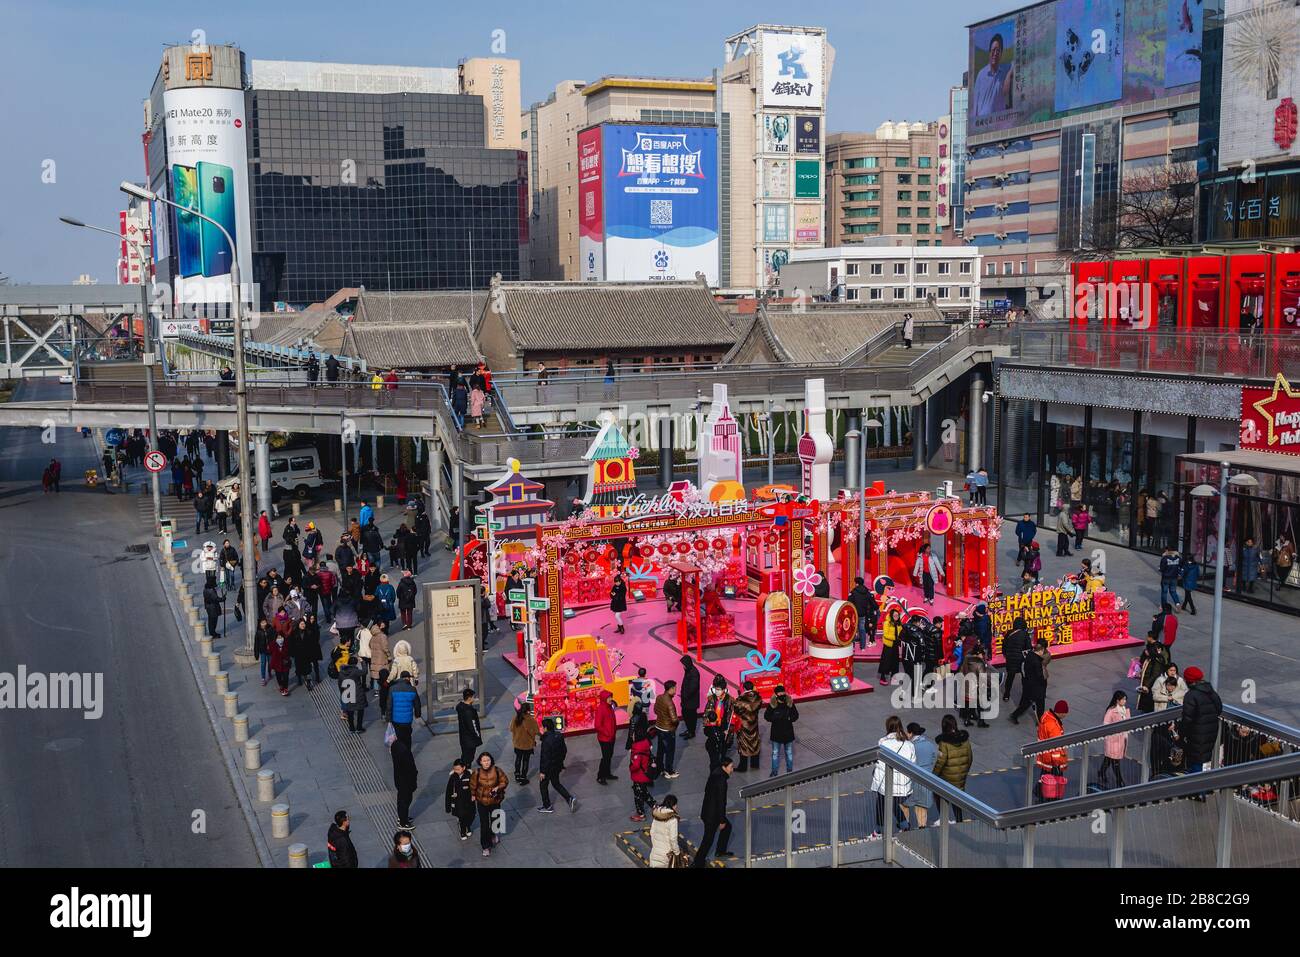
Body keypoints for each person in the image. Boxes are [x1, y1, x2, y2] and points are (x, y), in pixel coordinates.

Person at [871, 716, 915, 836]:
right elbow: (913, 763)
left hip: (886, 781)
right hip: (902, 783)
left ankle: (878, 831)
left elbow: (879, 761)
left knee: (881, 804)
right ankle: (904, 825)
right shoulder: (909, 745)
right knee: (894, 803)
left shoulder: (883, 742)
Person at [1179, 667, 1223, 774]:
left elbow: (1187, 719)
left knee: (1195, 763)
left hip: (1196, 734)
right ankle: (1200, 787)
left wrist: (1181, 734)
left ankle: (1197, 788)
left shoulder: (1191, 695)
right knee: (1202, 761)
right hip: (1210, 732)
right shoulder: (1210, 691)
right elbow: (1219, 709)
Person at [692, 756, 735, 866]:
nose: (732, 769)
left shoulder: (715, 774)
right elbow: (720, 801)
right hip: (713, 815)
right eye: (731, 767)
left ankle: (720, 851)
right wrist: (721, 820)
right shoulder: (722, 781)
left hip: (708, 811)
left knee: (727, 828)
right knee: (708, 840)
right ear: (724, 767)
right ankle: (697, 862)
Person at [932, 714, 972, 822]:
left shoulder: (944, 743)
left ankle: (944, 819)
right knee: (957, 799)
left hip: (947, 778)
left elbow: (940, 762)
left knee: (939, 795)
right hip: (960, 778)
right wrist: (963, 772)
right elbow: (970, 758)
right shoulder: (965, 740)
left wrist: (933, 775)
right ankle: (959, 820)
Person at [470, 752, 509, 857]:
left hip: (495, 800)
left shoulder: (497, 770)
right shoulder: (477, 772)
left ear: (491, 761)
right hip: (482, 801)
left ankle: (493, 834)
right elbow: (473, 784)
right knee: (484, 824)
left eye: (488, 760)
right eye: (484, 761)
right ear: (480, 762)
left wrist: (498, 787)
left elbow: (505, 781)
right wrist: (473, 794)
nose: (486, 763)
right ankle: (485, 846)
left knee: (496, 821)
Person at [536, 717, 577, 814]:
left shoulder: (546, 740)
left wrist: (542, 771)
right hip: (557, 766)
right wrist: (560, 762)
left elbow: (545, 757)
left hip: (549, 767)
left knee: (543, 785)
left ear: (545, 728)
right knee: (556, 783)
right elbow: (564, 750)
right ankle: (569, 798)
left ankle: (547, 806)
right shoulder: (558, 735)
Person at [973, 31, 1013, 117]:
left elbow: (1016, 62)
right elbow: (974, 104)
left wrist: (1009, 75)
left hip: (1000, 122)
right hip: (982, 123)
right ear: (989, 52)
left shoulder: (1005, 69)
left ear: (1001, 53)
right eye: (993, 50)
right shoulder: (981, 74)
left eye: (998, 51)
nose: (995, 53)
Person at [904, 722, 937, 828]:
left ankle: (906, 826)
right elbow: (933, 759)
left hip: (912, 781)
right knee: (922, 806)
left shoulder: (910, 747)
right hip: (926, 780)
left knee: (904, 803)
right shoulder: (930, 745)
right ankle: (922, 827)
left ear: (910, 733)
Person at [1009, 638, 1048, 724]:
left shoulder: (1030, 655)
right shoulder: (1036, 661)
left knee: (1028, 703)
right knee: (1039, 704)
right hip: (1036, 686)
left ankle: (1015, 715)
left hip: (1029, 684)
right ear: (1042, 649)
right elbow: (1040, 676)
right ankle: (1040, 721)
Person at [763, 685, 799, 776]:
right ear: (776, 694)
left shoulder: (789, 702)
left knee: (789, 753)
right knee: (775, 753)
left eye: (783, 692)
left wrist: (790, 719)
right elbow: (766, 716)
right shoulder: (772, 704)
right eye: (780, 693)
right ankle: (774, 771)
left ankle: (790, 770)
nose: (782, 694)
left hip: (788, 732)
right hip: (776, 733)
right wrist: (774, 718)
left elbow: (796, 715)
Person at [702, 674, 736, 771]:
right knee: (714, 753)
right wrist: (706, 724)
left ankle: (721, 766)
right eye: (716, 689)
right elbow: (706, 712)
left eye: (719, 689)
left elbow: (731, 716)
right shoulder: (712, 699)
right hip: (713, 726)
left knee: (723, 749)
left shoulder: (729, 700)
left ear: (724, 689)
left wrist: (729, 730)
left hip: (724, 727)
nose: (717, 691)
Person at [1099, 691, 1130, 789]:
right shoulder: (1111, 711)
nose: (1125, 701)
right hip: (1113, 740)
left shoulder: (1125, 710)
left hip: (1122, 739)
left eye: (1125, 699)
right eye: (1123, 699)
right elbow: (1105, 724)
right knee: (1115, 761)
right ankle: (1119, 779)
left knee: (1109, 759)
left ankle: (1101, 772)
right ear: (1117, 700)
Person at [1035, 700, 1069, 787]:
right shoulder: (1054, 726)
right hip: (1051, 758)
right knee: (1056, 777)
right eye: (1065, 713)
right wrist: (1056, 763)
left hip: (1044, 753)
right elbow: (1056, 746)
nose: (1066, 715)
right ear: (1061, 713)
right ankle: (1052, 794)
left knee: (1044, 774)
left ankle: (1038, 789)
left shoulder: (1046, 716)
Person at [732, 680, 763, 772]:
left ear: (744, 688)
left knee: (743, 745)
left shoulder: (741, 700)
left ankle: (743, 767)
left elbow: (736, 710)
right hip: (754, 724)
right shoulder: (758, 697)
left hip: (744, 725)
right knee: (755, 743)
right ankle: (755, 764)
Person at [1136, 632, 1171, 713]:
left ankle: (1149, 710)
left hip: (1150, 683)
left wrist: (1147, 685)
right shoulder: (1153, 655)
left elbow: (1155, 673)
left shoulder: (1156, 659)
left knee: (1149, 697)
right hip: (1148, 680)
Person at [653, 680, 681, 779]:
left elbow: (655, 710)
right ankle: (669, 770)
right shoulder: (670, 703)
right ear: (672, 689)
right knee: (670, 751)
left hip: (659, 727)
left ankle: (660, 768)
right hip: (668, 730)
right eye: (675, 688)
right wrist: (676, 725)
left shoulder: (659, 697)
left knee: (660, 750)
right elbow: (674, 719)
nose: (676, 690)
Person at [648, 794, 683, 868]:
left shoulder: (657, 814)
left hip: (655, 851)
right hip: (666, 854)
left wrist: (655, 845)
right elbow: (673, 838)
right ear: (673, 805)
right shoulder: (673, 819)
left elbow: (652, 832)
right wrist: (677, 852)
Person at [445, 758, 476, 841]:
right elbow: (448, 791)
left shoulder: (469, 775)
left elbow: (475, 786)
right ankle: (463, 831)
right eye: (455, 769)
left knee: (471, 816)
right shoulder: (453, 777)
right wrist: (448, 806)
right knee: (462, 817)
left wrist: (474, 794)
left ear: (464, 768)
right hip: (458, 802)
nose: (456, 771)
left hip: (469, 801)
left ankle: (468, 826)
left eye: (458, 769)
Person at [391, 736, 419, 829]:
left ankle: (402, 817)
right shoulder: (404, 752)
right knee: (405, 800)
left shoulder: (396, 746)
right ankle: (403, 822)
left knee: (402, 799)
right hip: (405, 782)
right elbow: (410, 768)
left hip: (400, 780)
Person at [1001, 616, 1031, 702]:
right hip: (1021, 660)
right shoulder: (1025, 634)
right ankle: (1025, 695)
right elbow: (1028, 648)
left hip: (1010, 659)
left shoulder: (1009, 633)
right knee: (1024, 677)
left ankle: (1006, 694)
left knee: (1010, 677)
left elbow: (1004, 646)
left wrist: (1006, 655)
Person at [510, 701, 541, 785]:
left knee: (518, 758)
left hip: (518, 743)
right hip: (528, 744)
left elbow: (511, 729)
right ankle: (523, 776)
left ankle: (517, 775)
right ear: (528, 710)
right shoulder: (531, 720)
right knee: (526, 760)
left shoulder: (516, 718)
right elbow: (536, 731)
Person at [388, 670, 420, 748]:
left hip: (396, 719)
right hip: (407, 719)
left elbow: (389, 705)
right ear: (408, 678)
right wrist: (417, 714)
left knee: (398, 737)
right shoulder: (412, 689)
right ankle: (407, 752)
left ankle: (400, 754)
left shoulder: (392, 688)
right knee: (408, 737)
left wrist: (388, 718)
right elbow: (417, 704)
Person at [595, 688, 619, 784]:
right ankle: (600, 776)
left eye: (611, 697)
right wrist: (607, 733)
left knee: (609, 756)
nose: (610, 699)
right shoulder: (601, 709)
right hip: (604, 738)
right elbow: (597, 725)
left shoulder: (610, 707)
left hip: (611, 737)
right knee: (605, 757)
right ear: (604, 698)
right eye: (608, 697)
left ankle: (607, 773)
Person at [339, 658, 368, 733]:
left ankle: (351, 728)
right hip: (357, 694)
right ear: (355, 664)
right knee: (360, 710)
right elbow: (365, 671)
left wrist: (343, 693)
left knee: (350, 712)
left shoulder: (342, 672)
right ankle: (359, 727)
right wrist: (362, 662)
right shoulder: (355, 671)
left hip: (347, 694)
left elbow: (340, 684)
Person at [849, 576, 879, 649]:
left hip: (855, 614)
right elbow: (874, 604)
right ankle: (862, 647)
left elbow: (849, 602)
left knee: (853, 630)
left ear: (857, 583)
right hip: (863, 614)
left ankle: (852, 647)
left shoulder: (853, 592)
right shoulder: (867, 592)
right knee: (862, 630)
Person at [457, 688, 482, 768]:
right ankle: (466, 772)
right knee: (469, 757)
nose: (474, 698)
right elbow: (473, 725)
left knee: (465, 755)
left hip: (464, 737)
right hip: (470, 739)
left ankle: (463, 770)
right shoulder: (469, 711)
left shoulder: (461, 707)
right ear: (469, 698)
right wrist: (477, 735)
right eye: (473, 697)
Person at [879, 607, 903, 686]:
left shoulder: (899, 624)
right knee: (886, 662)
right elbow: (885, 635)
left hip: (896, 645)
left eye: (897, 615)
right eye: (895, 615)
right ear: (891, 615)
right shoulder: (887, 623)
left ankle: (894, 676)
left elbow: (901, 633)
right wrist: (895, 638)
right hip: (888, 645)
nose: (896, 617)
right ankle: (883, 677)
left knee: (895, 662)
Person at [679, 654, 701, 738]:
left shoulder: (694, 673)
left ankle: (691, 732)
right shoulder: (688, 670)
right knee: (686, 715)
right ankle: (689, 729)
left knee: (691, 717)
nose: (683, 666)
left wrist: (685, 695)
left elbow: (693, 688)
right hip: (687, 700)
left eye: (684, 665)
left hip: (691, 701)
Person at [269, 632, 292, 696]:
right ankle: (281, 685)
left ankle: (285, 688)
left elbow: (290, 652)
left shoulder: (286, 644)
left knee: (285, 676)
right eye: (278, 637)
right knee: (278, 676)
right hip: (277, 664)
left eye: (281, 637)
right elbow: (270, 652)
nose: (280, 639)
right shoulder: (273, 644)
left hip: (285, 663)